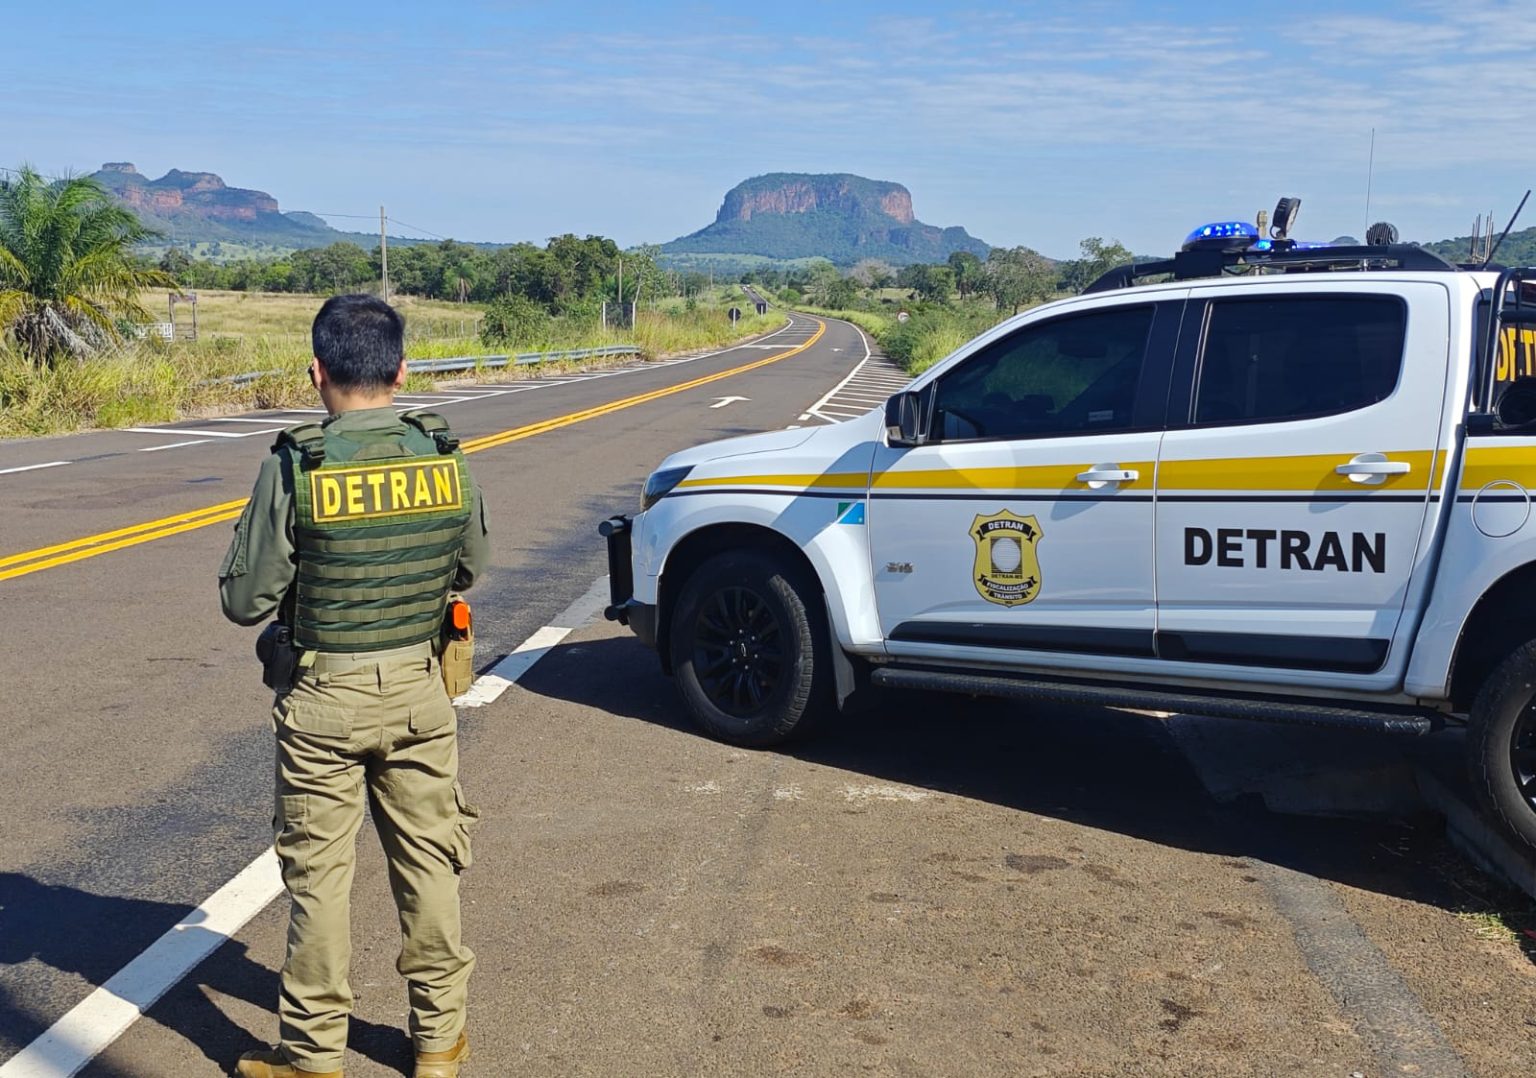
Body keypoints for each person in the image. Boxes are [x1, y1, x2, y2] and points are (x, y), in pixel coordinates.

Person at [219, 294, 489, 1078]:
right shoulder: (442, 452)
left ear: (317, 371)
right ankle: (439, 1045)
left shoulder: (296, 463)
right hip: (419, 689)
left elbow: (244, 603)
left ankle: (312, 1058)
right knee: (431, 865)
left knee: (320, 882)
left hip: (322, 702)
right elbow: (472, 565)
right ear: (403, 371)